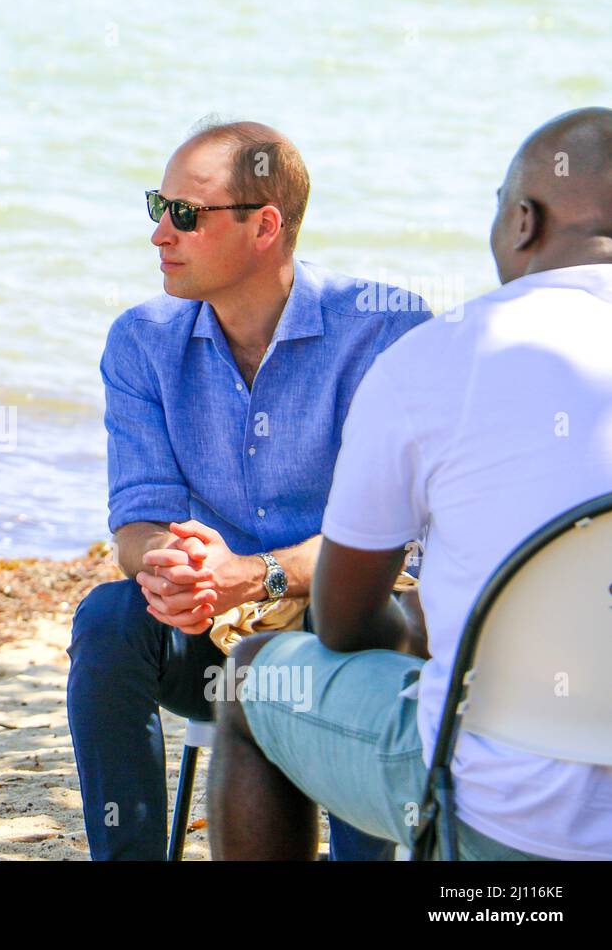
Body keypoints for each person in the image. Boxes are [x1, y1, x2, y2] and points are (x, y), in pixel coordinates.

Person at [210, 107, 612, 861]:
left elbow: (340, 623)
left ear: (524, 220)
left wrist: (418, 641)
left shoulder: (437, 359)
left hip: (503, 818)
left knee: (251, 679)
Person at [68, 120, 432, 860]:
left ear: (266, 226)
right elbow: (138, 517)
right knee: (109, 619)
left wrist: (256, 574)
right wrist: (177, 568)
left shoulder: (385, 330)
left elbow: (406, 533)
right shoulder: (140, 339)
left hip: (347, 630)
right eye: (157, 206)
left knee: (387, 626)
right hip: (211, 643)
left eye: (187, 214)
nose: (160, 234)